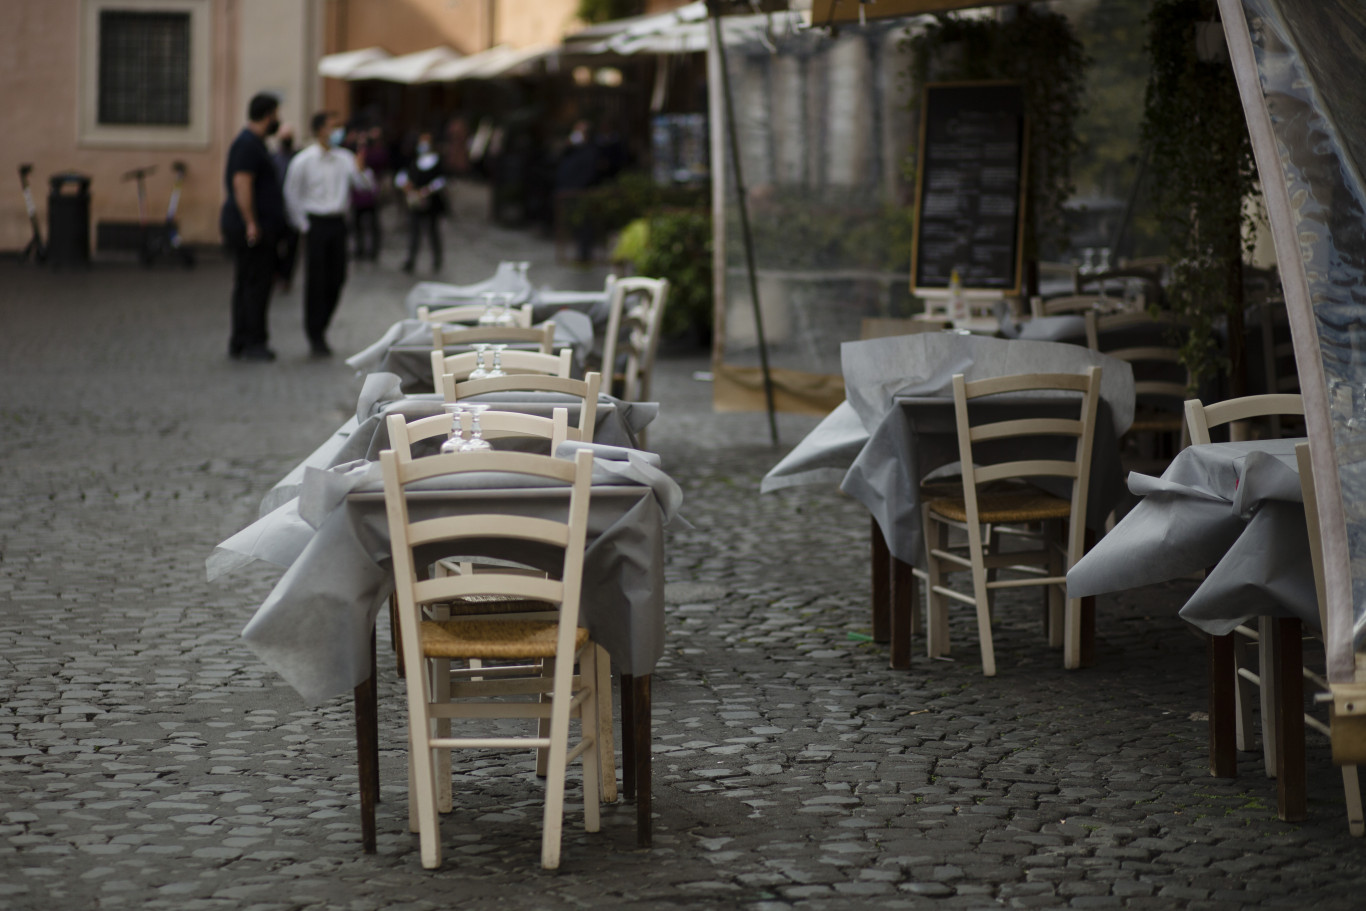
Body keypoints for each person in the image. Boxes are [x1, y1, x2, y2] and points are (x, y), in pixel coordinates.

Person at [282, 111, 375, 356]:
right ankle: (315, 333)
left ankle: (322, 323)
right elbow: (291, 195)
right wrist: (303, 225)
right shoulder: (303, 161)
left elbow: (365, 186)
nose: (337, 132)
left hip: (338, 223)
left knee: (337, 278)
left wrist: (362, 168)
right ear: (320, 130)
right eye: (333, 127)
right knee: (316, 280)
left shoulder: (345, 158)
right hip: (316, 224)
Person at [221, 92, 286, 362]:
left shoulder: (254, 143)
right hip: (251, 230)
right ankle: (252, 341)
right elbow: (242, 184)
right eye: (276, 114)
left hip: (253, 227)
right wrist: (251, 223)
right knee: (254, 285)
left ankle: (241, 339)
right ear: (268, 114)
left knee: (247, 283)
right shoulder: (248, 145)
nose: (278, 120)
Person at [396, 132, 447, 273]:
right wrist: (407, 187)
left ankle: (437, 260)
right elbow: (402, 176)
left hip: (431, 203)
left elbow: (441, 180)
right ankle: (411, 259)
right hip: (415, 201)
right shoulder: (414, 160)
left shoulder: (437, 161)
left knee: (432, 232)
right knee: (414, 232)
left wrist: (427, 190)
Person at [271, 123, 300, 292]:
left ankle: (286, 277)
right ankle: (277, 273)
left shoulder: (297, 158)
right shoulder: (274, 158)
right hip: (277, 210)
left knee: (291, 247)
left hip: (293, 210)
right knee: (275, 245)